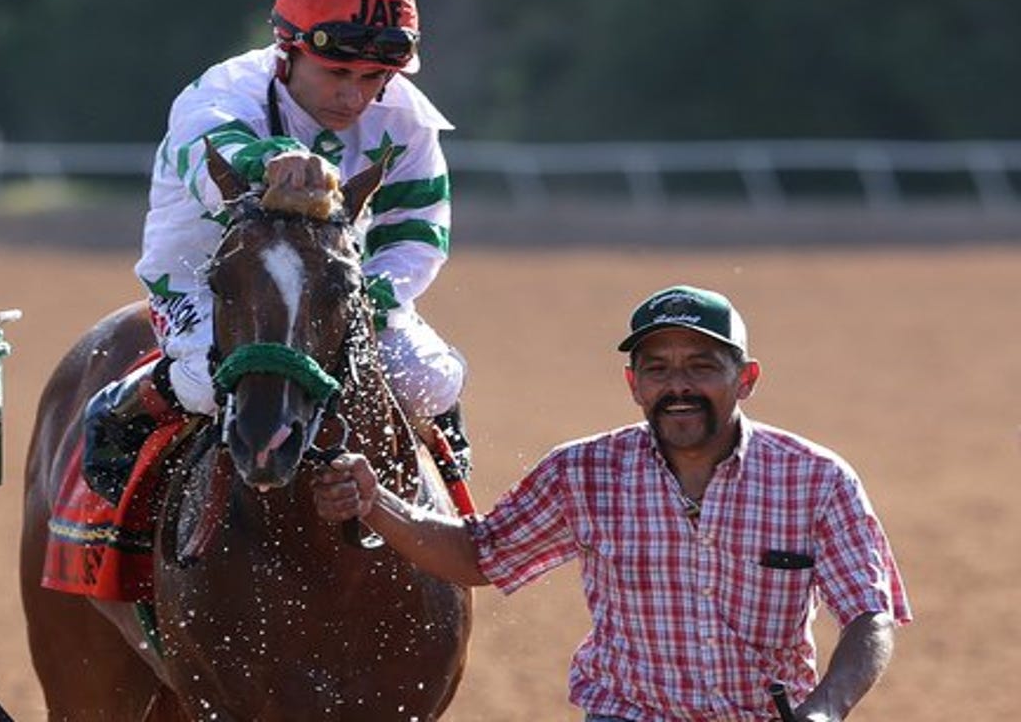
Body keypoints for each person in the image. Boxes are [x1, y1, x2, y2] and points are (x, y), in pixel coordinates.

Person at [311, 285, 912, 721]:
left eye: (702, 367)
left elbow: (869, 613)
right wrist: (376, 502)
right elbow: (478, 556)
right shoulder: (583, 472)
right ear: (634, 385)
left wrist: (825, 710)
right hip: (628, 713)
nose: (678, 386)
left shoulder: (816, 478)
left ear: (746, 378)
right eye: (657, 369)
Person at [83, 0, 469, 500]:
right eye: (336, 72)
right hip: (206, 275)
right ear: (287, 53)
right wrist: (267, 160)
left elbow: (417, 234)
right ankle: (126, 403)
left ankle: (447, 504)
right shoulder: (223, 92)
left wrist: (365, 300)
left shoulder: (408, 120)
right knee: (209, 383)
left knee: (431, 380)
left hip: (332, 287)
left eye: (372, 78)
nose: (353, 96)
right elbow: (207, 148)